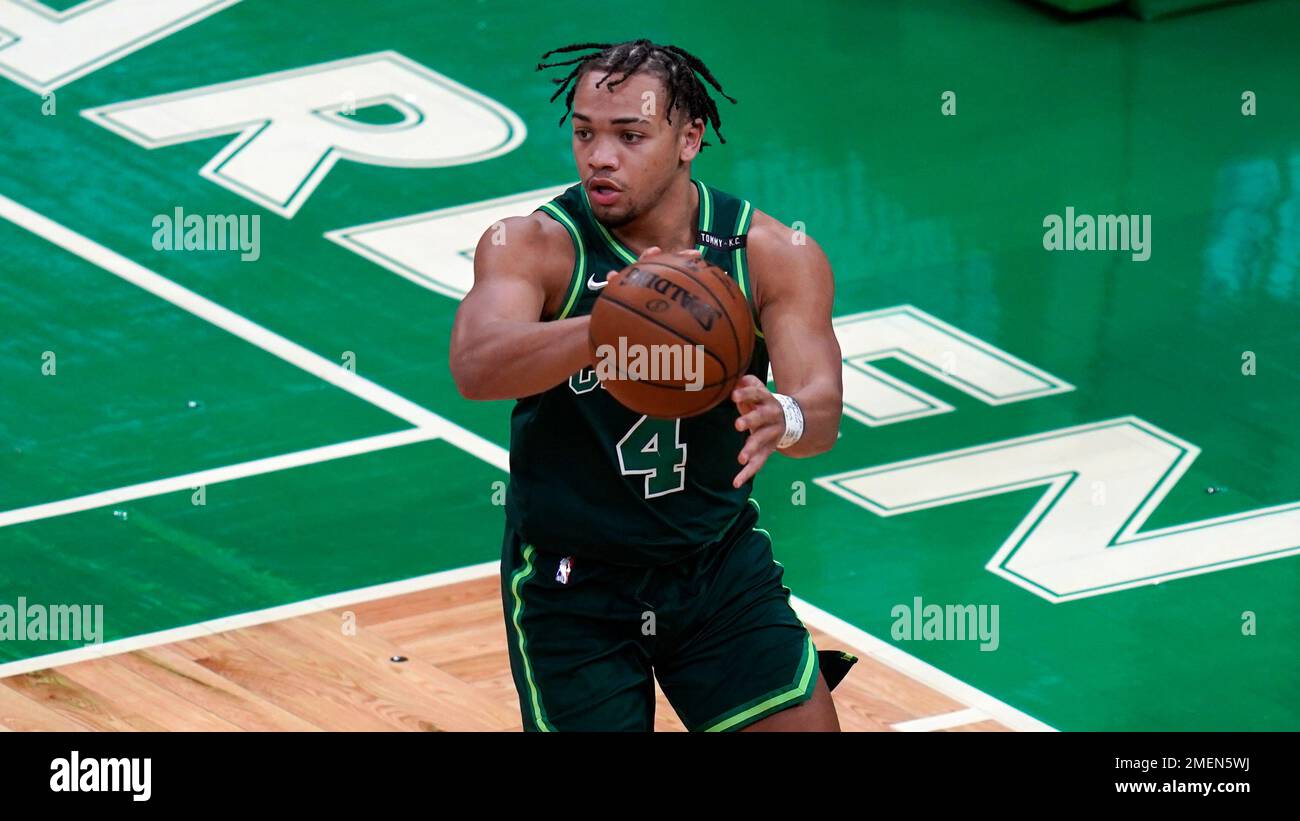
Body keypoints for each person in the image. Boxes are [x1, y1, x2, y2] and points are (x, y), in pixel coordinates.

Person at [450, 39, 853, 731]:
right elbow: (476, 365)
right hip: (571, 584)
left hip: (714, 566)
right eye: (584, 133)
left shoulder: (772, 255)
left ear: (689, 137)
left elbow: (822, 413)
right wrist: (615, 319)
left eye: (629, 136)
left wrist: (781, 414)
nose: (599, 157)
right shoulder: (532, 245)